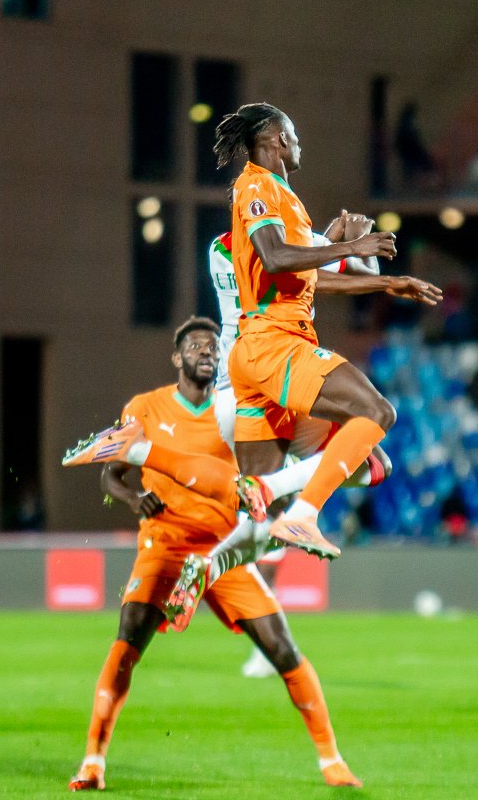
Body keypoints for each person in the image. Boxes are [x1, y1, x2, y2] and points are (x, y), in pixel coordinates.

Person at [68, 317, 364, 790]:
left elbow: (252, 473)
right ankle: (93, 762)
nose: (206, 352)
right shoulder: (145, 407)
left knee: (282, 648)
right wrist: (130, 499)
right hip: (163, 544)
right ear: (177, 357)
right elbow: (110, 471)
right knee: (126, 642)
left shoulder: (236, 410)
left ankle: (332, 761)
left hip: (223, 546)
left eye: (212, 347)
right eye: (196, 346)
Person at [214, 102, 438, 559]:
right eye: (294, 136)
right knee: (378, 414)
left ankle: (205, 567)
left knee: (261, 510)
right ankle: (305, 515)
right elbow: (276, 257)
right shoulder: (256, 185)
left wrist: (387, 282)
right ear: (276, 138)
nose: (300, 145)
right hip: (274, 342)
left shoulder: (283, 197)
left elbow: (308, 275)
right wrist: (350, 244)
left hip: (258, 353)